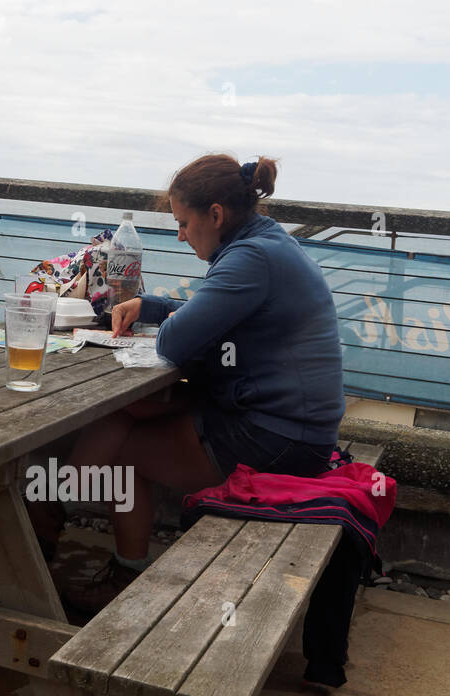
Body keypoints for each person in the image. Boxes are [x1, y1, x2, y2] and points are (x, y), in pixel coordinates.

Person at [58, 152, 345, 614]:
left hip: (281, 439)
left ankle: (102, 561)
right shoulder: (265, 243)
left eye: (184, 223)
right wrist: (151, 305)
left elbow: (175, 341)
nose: (180, 234)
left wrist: (164, 317)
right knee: (127, 413)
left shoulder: (252, 257)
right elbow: (208, 314)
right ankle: (51, 515)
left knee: (119, 460)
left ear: (215, 215)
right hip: (288, 422)